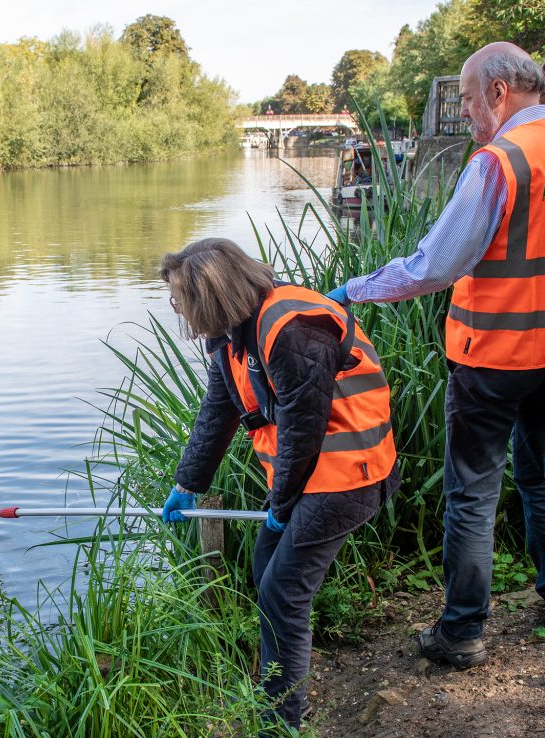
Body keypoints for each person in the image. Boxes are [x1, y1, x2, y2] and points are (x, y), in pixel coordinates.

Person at [326, 42, 545, 669]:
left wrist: (353, 290)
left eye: (469, 98)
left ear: (500, 92)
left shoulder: (498, 162)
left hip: (492, 357)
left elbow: (436, 263)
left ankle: (461, 632)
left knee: (473, 494)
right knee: (544, 473)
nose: (469, 111)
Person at [159, 237, 400, 731]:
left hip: (349, 474)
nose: (176, 308)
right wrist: (189, 482)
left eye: (179, 299)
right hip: (314, 475)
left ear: (208, 297)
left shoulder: (291, 328)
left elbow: (303, 428)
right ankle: (278, 687)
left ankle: (282, 715)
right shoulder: (233, 335)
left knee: (283, 591)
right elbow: (219, 410)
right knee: (267, 566)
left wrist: (284, 504)